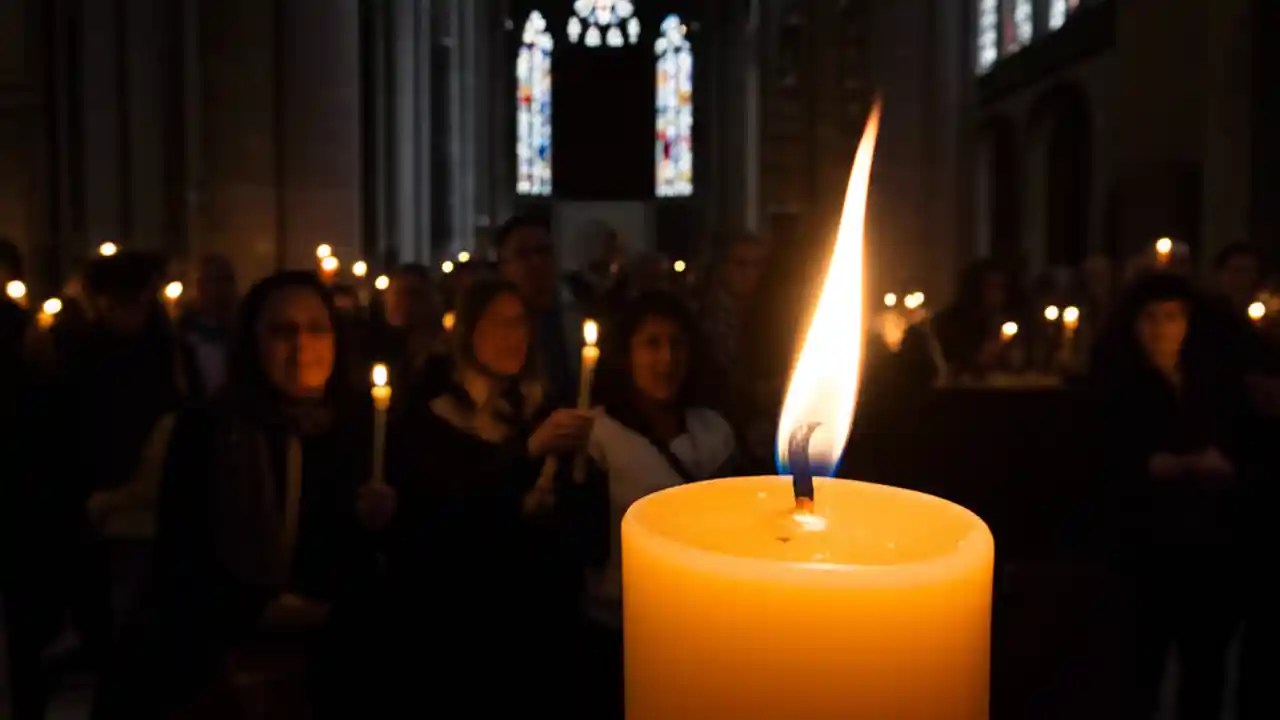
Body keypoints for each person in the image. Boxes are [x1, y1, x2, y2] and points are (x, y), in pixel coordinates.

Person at [96, 272, 385, 719]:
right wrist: (255, 609)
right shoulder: (207, 430)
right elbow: (181, 560)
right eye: (281, 331)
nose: (302, 345)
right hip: (221, 661)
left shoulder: (366, 430)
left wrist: (380, 525)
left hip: (340, 664)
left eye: (316, 328)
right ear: (252, 342)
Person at [386, 277, 593, 716]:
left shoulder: (541, 403)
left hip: (539, 620)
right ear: (467, 332)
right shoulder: (433, 415)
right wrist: (528, 456)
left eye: (519, 323)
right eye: (496, 325)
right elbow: (446, 517)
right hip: (466, 622)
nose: (511, 337)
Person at [1089, 273, 1252, 719]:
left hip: (1211, 548)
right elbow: (1106, 459)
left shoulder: (1212, 380)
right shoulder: (1119, 383)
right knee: (1140, 666)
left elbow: (1242, 443)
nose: (1161, 328)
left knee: (1206, 666)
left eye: (1173, 317)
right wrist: (1172, 465)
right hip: (1146, 547)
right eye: (1150, 318)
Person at [579, 292, 736, 719]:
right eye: (651, 344)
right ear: (626, 353)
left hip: (703, 626)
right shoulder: (597, 435)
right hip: (620, 626)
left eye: (676, 344)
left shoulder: (713, 431)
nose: (666, 359)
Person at [496, 213, 583, 406]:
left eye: (544, 252)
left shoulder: (580, 310)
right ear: (503, 265)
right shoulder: (493, 325)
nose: (536, 262)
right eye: (523, 254)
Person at [370, 263, 448, 401]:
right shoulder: (372, 347)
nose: (403, 301)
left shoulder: (443, 357)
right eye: (396, 293)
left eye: (412, 294)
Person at [176, 254, 238, 398]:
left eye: (227, 280)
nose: (221, 288)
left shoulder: (246, 328)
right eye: (213, 281)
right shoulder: (184, 333)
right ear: (200, 286)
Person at [1213, 242, 1266, 317]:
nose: (1241, 279)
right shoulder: (1205, 315)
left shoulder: (1267, 316)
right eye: (1235, 271)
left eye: (1246, 271)